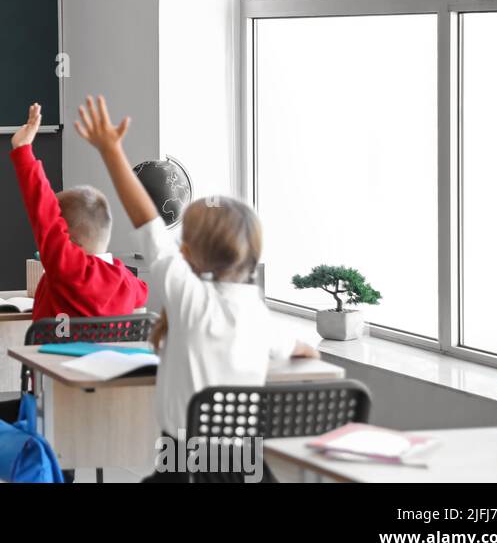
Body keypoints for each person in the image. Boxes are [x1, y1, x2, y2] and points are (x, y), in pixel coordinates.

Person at [72, 95, 317, 482]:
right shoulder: (260, 316)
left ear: (188, 253)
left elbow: (147, 224)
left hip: (184, 467)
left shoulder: (190, 301)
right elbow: (303, 349)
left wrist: (111, 151)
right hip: (247, 469)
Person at [0, 102, 150, 462]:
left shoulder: (72, 270)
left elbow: (43, 215)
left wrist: (23, 151)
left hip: (50, 412)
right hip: (109, 417)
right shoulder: (131, 287)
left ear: (66, 237)